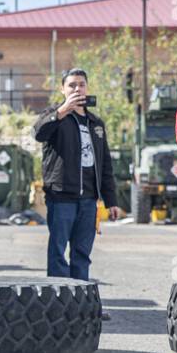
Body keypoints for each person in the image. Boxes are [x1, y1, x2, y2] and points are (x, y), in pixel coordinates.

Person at [33, 68, 124, 280]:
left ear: (87, 87)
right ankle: (59, 303)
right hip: (61, 195)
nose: (77, 89)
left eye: (81, 84)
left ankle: (82, 306)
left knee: (82, 253)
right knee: (58, 251)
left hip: (89, 200)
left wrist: (111, 201)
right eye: (72, 85)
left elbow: (106, 165)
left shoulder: (96, 123)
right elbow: (38, 133)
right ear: (62, 89)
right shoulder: (53, 115)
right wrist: (62, 111)